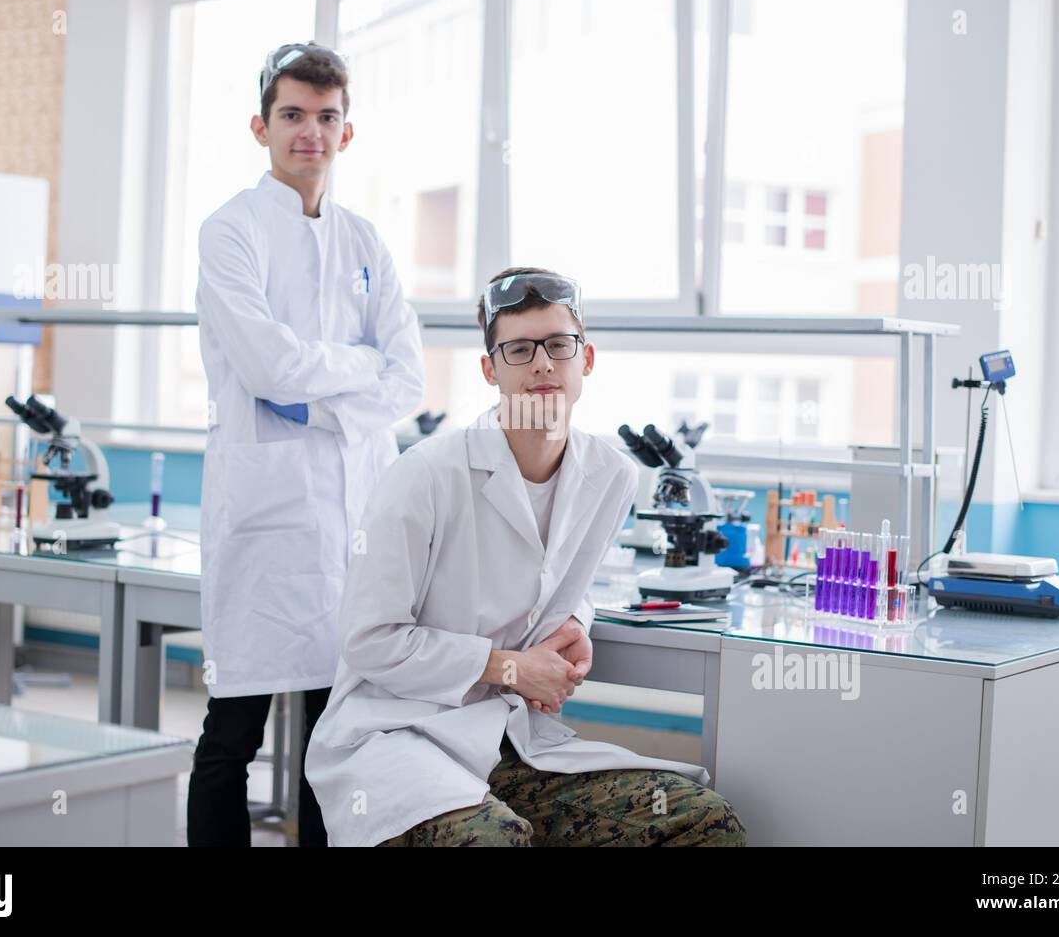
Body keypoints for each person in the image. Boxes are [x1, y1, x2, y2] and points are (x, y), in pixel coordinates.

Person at [305, 267, 746, 846]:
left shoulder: (611, 475)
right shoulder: (426, 474)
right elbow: (369, 640)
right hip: (399, 736)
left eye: (558, 345)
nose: (542, 364)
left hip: (509, 737)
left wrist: (574, 623)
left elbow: (563, 583)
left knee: (703, 823)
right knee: (497, 840)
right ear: (491, 370)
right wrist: (510, 667)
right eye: (518, 349)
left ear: (585, 359)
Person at [187, 42, 424, 846]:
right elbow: (264, 364)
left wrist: (317, 401)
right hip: (263, 521)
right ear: (261, 125)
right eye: (292, 115)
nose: (310, 133)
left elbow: (408, 379)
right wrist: (355, 379)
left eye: (327, 118)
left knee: (336, 742)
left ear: (346, 133)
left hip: (355, 522)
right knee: (232, 738)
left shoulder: (367, 242)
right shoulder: (230, 232)